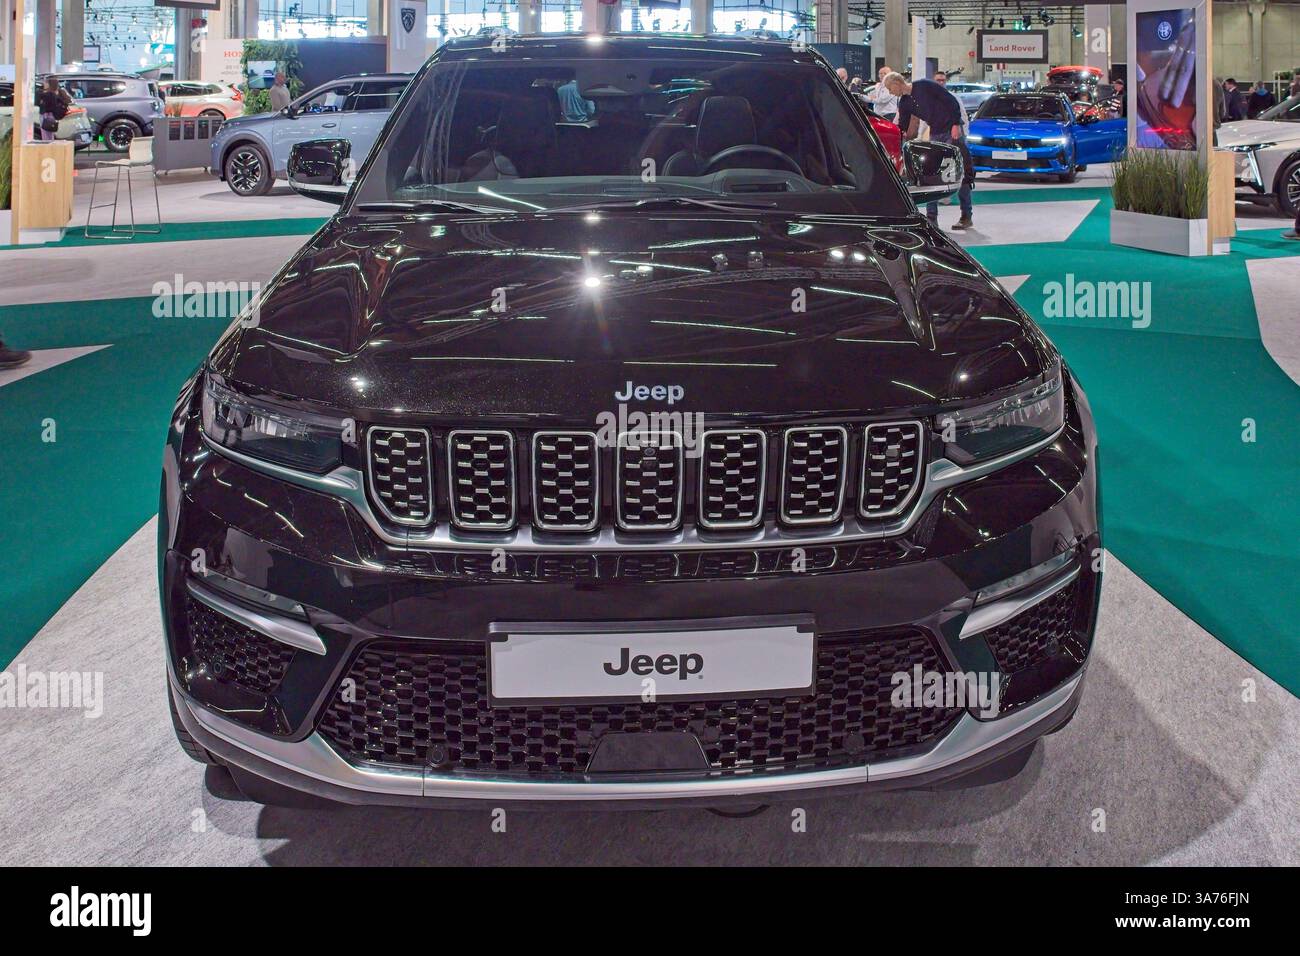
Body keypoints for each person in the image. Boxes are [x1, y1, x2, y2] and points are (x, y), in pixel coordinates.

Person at [884, 71, 974, 230]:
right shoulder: (904, 102)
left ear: (897, 83)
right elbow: (903, 126)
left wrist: (955, 124)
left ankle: (966, 215)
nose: (890, 92)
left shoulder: (924, 85)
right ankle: (932, 219)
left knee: (964, 171)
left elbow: (950, 100)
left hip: (951, 130)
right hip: (936, 132)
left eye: (890, 88)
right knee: (932, 175)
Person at [36, 76, 69, 142]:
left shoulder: (48, 94)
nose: (44, 84)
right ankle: (51, 147)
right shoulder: (60, 92)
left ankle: (48, 149)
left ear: (49, 84)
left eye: (45, 83)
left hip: (47, 115)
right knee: (50, 135)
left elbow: (39, 102)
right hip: (53, 116)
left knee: (46, 136)